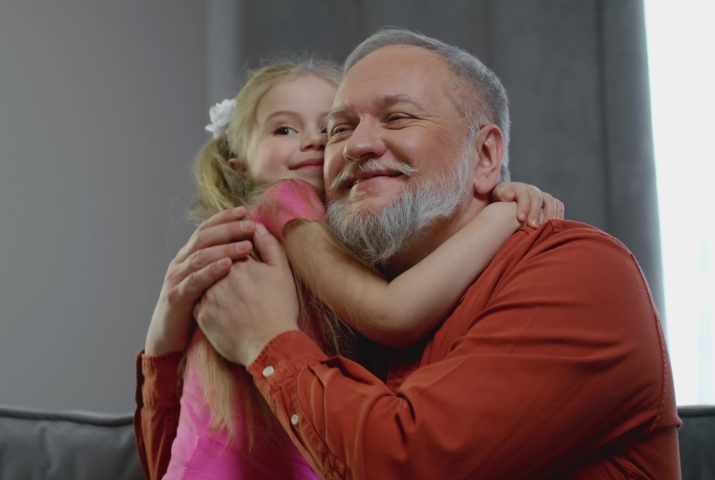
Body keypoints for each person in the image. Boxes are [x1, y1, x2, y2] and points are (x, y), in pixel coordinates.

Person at [188, 28, 682, 479]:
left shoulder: (582, 272)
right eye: (340, 129)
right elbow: (200, 452)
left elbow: (406, 464)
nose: (354, 144)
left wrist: (267, 342)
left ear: (485, 157)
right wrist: (168, 330)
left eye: (397, 117)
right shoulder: (347, 305)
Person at [136, 56, 564, 480]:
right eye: (285, 128)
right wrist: (499, 215)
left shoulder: (350, 235)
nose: (312, 141)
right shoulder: (284, 199)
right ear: (238, 163)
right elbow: (392, 313)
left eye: (332, 129)